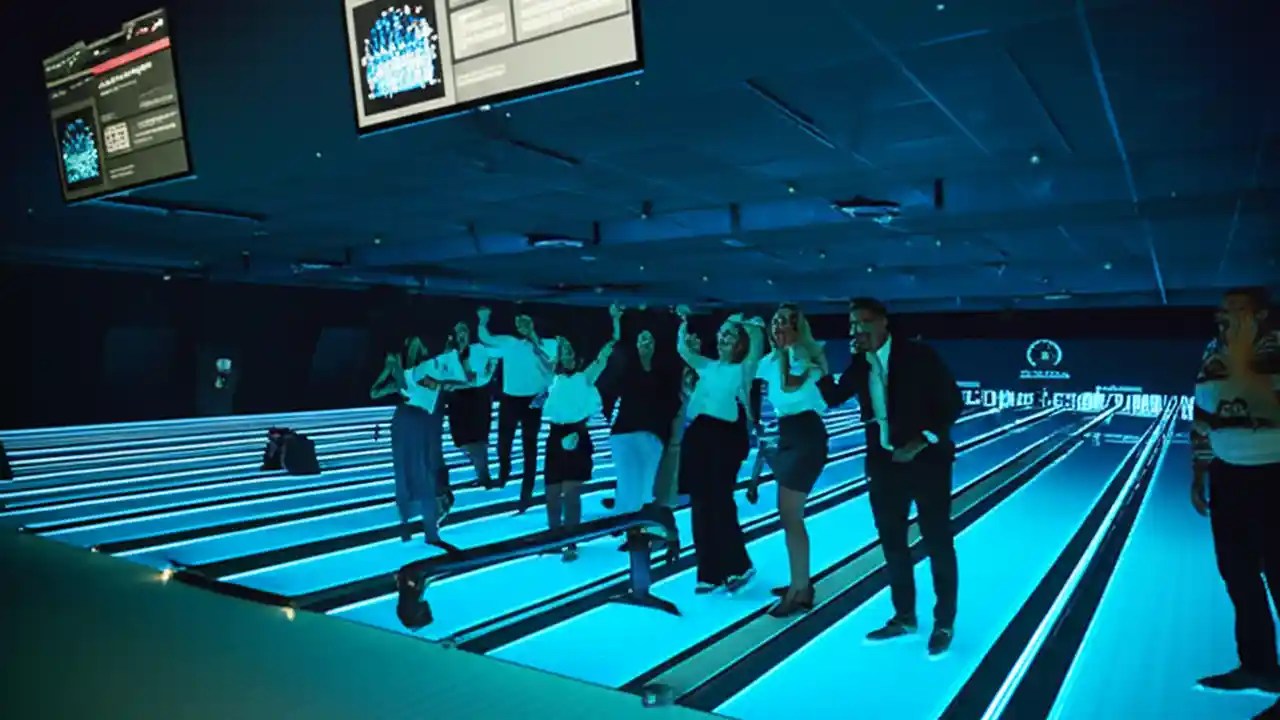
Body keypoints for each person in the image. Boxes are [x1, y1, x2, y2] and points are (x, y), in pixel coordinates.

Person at [819, 297, 963, 656]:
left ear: (883, 322)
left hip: (928, 460)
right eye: (852, 325)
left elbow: (952, 403)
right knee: (893, 543)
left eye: (863, 322)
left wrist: (920, 441)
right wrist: (815, 361)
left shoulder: (919, 355)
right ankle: (904, 617)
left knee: (937, 541)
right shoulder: (860, 364)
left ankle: (944, 621)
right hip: (884, 465)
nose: (857, 331)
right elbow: (834, 398)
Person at [1191, 286, 1280, 694]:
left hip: (1274, 475)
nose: (1226, 317)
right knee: (1239, 577)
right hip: (1229, 476)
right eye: (1224, 310)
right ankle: (1258, 667)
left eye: (1238, 310)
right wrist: (1200, 471)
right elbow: (1203, 414)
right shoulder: (1214, 352)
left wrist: (1242, 365)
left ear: (1261, 314)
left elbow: (1264, 404)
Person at [676, 305, 765, 594]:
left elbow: (756, 348)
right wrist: (684, 321)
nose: (724, 338)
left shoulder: (743, 370)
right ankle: (708, 572)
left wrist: (744, 323)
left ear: (740, 343)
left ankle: (738, 567)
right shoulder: (707, 365)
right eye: (722, 334)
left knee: (721, 502)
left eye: (730, 336)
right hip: (699, 435)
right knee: (701, 504)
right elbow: (683, 349)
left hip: (726, 438)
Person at [753, 304, 831, 617]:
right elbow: (747, 375)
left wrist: (784, 352)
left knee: (790, 515)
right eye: (776, 321)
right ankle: (799, 583)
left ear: (800, 328)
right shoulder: (770, 360)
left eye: (787, 321)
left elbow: (788, 386)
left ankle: (800, 590)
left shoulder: (805, 358)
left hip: (806, 435)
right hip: (787, 433)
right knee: (788, 516)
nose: (780, 326)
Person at [542, 305, 622, 561]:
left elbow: (606, 353)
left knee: (571, 492)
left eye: (568, 352)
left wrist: (615, 321)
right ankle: (554, 536)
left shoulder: (584, 377)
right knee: (552, 492)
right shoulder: (553, 379)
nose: (564, 355)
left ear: (575, 357)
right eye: (562, 351)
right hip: (555, 435)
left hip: (576, 434)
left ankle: (571, 541)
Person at [369, 339, 464, 548]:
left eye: (418, 346)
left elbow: (407, 388)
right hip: (404, 421)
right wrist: (388, 369)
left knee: (424, 475)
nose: (414, 350)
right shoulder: (410, 373)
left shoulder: (429, 370)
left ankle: (431, 529)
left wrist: (394, 368)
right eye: (411, 346)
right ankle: (406, 525)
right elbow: (375, 392)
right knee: (403, 473)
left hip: (423, 423)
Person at [477, 307, 558, 512]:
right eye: (518, 322)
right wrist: (483, 320)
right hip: (510, 400)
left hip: (534, 400)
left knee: (529, 446)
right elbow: (486, 338)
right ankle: (504, 474)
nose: (521, 326)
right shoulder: (509, 343)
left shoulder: (548, 344)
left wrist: (532, 336)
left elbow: (552, 366)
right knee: (504, 442)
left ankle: (526, 492)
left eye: (525, 321)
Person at [606, 324, 682, 515]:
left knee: (646, 486)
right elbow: (609, 388)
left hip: (651, 435)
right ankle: (623, 522)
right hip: (624, 432)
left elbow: (671, 404)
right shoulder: (626, 367)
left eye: (649, 339)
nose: (645, 343)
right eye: (642, 339)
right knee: (627, 479)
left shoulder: (664, 372)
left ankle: (637, 528)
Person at [652, 331, 704, 508]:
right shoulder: (676, 369)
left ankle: (674, 493)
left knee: (680, 455)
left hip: (688, 421)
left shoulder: (701, 370)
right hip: (680, 420)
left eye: (696, 343)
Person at [443, 321, 498, 488]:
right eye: (457, 332)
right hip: (458, 401)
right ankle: (481, 473)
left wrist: (457, 383)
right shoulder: (450, 353)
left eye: (464, 331)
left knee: (477, 440)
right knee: (464, 440)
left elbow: (474, 379)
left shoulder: (477, 350)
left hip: (476, 399)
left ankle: (484, 475)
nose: (461, 335)